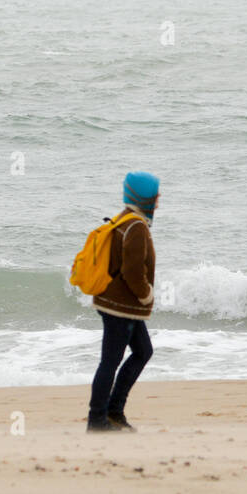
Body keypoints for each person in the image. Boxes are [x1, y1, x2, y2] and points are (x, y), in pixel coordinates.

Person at [86, 171, 159, 432]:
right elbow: (131, 272)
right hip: (121, 306)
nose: (158, 200)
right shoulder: (136, 226)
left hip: (117, 304)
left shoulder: (124, 218)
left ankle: (114, 412)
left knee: (143, 351)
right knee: (110, 361)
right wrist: (146, 294)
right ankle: (97, 419)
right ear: (144, 196)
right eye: (155, 194)